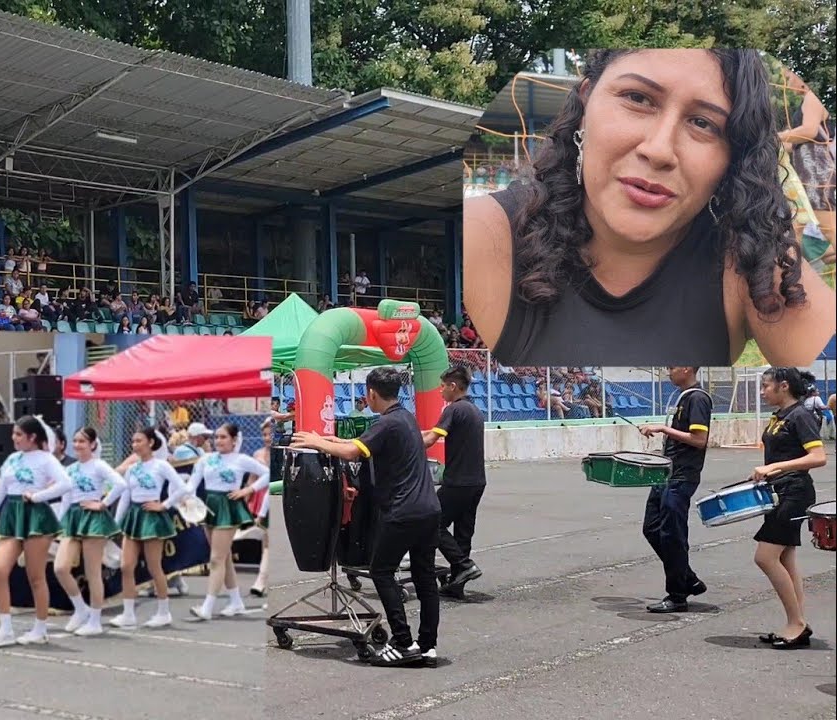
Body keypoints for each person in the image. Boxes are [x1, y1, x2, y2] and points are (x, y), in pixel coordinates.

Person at [463, 49, 836, 366]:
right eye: (637, 99)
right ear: (586, 102)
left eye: (703, 123)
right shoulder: (483, 236)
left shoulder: (744, 257)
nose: (658, 150)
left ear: (733, 155)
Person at [292, 366, 441, 667]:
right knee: (425, 578)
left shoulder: (388, 424)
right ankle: (427, 646)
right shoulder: (405, 418)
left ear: (372, 394)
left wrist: (315, 443)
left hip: (402, 512)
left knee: (382, 572)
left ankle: (402, 642)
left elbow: (351, 454)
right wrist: (324, 439)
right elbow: (355, 445)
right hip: (429, 509)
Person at [0, 416, 71, 647]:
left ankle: (40, 628)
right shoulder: (12, 459)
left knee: (35, 576)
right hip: (11, 514)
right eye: (14, 433)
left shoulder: (46, 459)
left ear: (32, 437)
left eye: (19, 434)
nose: (14, 438)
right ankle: (5, 627)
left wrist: (37, 496)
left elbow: (66, 483)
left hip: (35, 515)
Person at [752, 367, 827, 648]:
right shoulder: (780, 416)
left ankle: (796, 624)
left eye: (766, 386)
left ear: (783, 386)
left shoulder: (800, 415)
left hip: (794, 491)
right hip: (779, 490)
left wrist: (776, 466)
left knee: (765, 557)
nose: (762, 392)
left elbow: (818, 457)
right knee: (785, 560)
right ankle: (797, 623)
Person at [30, 427, 126, 637]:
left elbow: (120, 484)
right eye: (75, 441)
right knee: (60, 567)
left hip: (93, 518)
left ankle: (95, 620)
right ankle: (80, 609)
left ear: (92, 444)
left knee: (93, 572)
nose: (77, 445)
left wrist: (102, 504)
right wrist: (58, 523)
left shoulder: (99, 465)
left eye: (82, 441)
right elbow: (65, 496)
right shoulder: (70, 469)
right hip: (73, 518)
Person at [637, 367, 712, 613]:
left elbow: (699, 439)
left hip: (682, 475)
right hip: (666, 472)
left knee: (672, 533)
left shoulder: (697, 398)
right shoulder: (682, 396)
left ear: (687, 368)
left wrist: (663, 429)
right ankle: (687, 577)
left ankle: (677, 594)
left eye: (672, 367)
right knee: (652, 528)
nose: (668, 371)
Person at [110, 427, 194, 629]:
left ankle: (163, 612)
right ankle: (128, 613)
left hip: (152, 517)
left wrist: (164, 505)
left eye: (139, 440)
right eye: (133, 441)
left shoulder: (161, 466)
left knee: (154, 566)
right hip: (134, 516)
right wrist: (116, 523)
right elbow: (125, 496)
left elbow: (184, 487)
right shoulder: (132, 469)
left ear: (150, 442)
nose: (135, 445)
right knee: (126, 566)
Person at [187, 424, 271, 621]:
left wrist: (248, 490)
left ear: (234, 439)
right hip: (209, 506)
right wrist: (183, 498)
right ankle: (235, 602)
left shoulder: (242, 459)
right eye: (216, 437)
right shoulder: (206, 459)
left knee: (216, 559)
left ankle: (207, 607)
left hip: (229, 507)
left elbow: (268, 474)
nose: (218, 441)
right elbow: (192, 484)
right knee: (223, 558)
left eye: (223, 437)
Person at [420, 366, 487, 598]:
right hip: (476, 481)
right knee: (463, 532)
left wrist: (401, 442)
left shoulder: (454, 409)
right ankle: (458, 581)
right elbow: (431, 432)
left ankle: (464, 564)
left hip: (458, 481)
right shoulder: (473, 410)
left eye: (442, 386)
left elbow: (430, 440)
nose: (440, 391)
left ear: (453, 386)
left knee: (431, 524)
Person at [249, 419, 274, 597]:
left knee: (269, 541)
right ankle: (262, 580)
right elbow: (251, 479)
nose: (267, 438)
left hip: (274, 495)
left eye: (270, 434)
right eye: (264, 434)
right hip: (260, 499)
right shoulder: (257, 454)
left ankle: (262, 579)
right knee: (266, 541)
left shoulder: (280, 453)